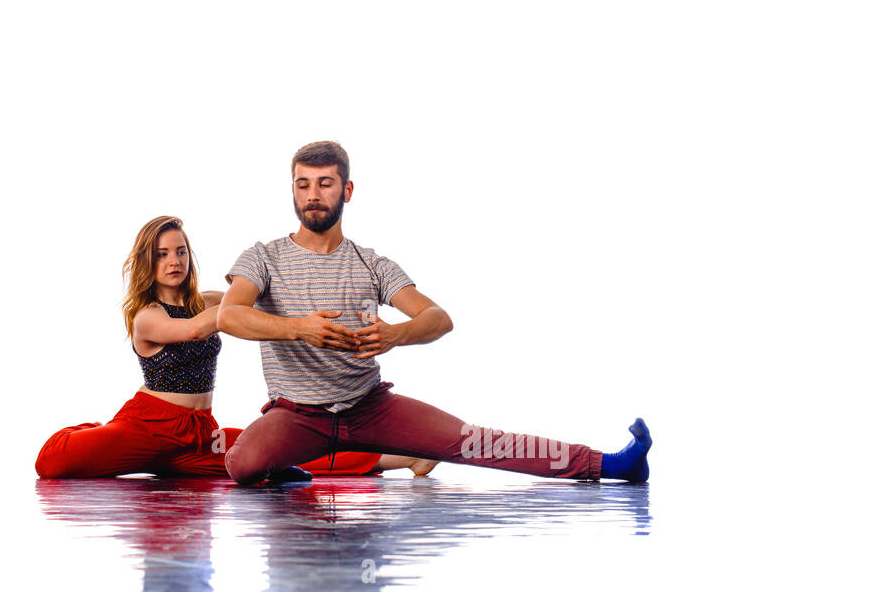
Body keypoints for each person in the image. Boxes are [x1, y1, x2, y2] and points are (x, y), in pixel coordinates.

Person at [218, 141, 653, 487]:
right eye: (303, 184)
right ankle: (283, 464)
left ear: (347, 191)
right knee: (244, 466)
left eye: (325, 183)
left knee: (478, 443)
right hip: (297, 415)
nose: (313, 195)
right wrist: (299, 329)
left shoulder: (373, 264)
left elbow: (438, 318)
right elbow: (230, 316)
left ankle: (614, 464)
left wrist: (396, 334)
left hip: (369, 407)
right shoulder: (264, 257)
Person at [34, 215, 434, 479]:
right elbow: (193, 330)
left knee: (279, 453)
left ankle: (403, 457)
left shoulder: (206, 300)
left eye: (180, 251)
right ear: (147, 262)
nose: (174, 260)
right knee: (53, 462)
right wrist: (236, 307)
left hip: (198, 434)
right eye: (161, 254)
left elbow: (252, 298)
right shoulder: (146, 315)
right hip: (148, 427)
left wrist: (301, 293)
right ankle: (97, 430)